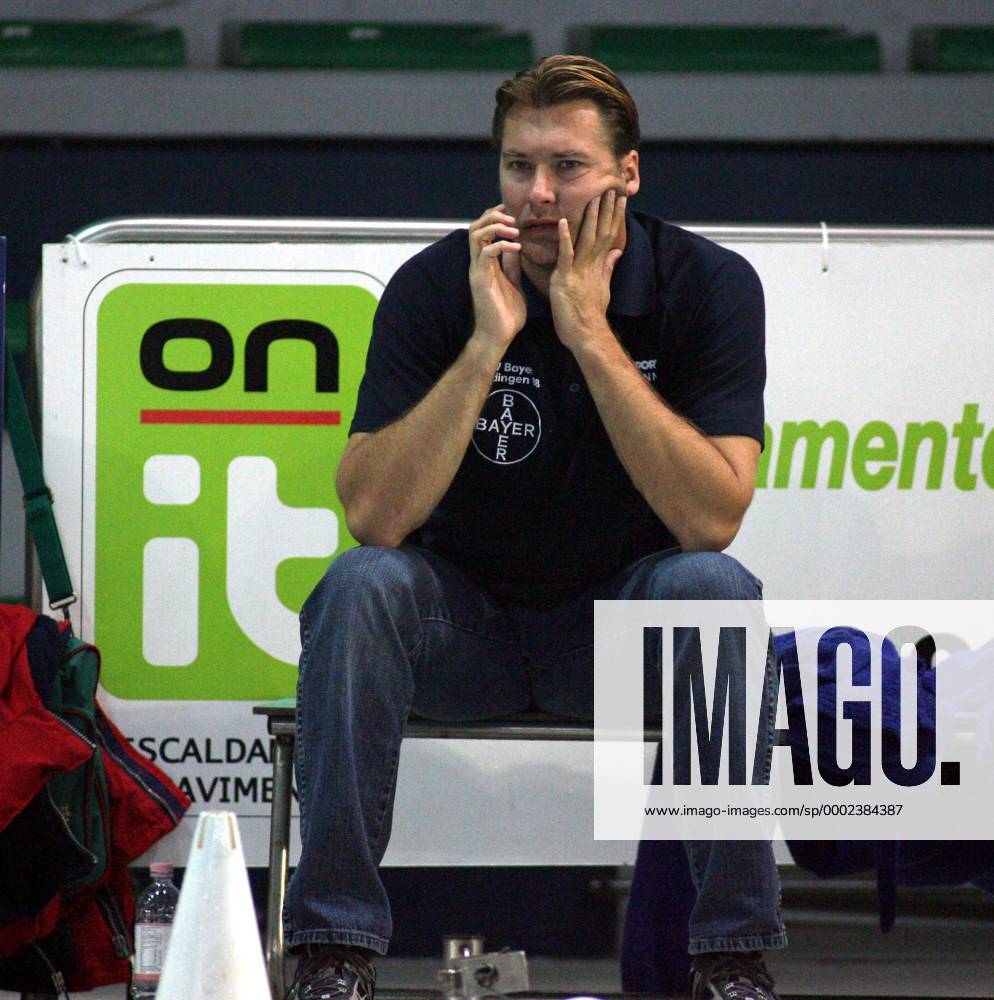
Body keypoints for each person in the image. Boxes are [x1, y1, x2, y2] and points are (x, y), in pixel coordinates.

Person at [285, 55, 786, 1000]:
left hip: (614, 635)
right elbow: (374, 515)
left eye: (569, 167)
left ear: (628, 174)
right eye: (519, 167)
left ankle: (731, 957)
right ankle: (333, 949)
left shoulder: (709, 284)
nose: (540, 194)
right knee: (358, 583)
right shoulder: (441, 284)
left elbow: (710, 519)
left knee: (717, 592)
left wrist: (591, 333)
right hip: (463, 634)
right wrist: (487, 343)